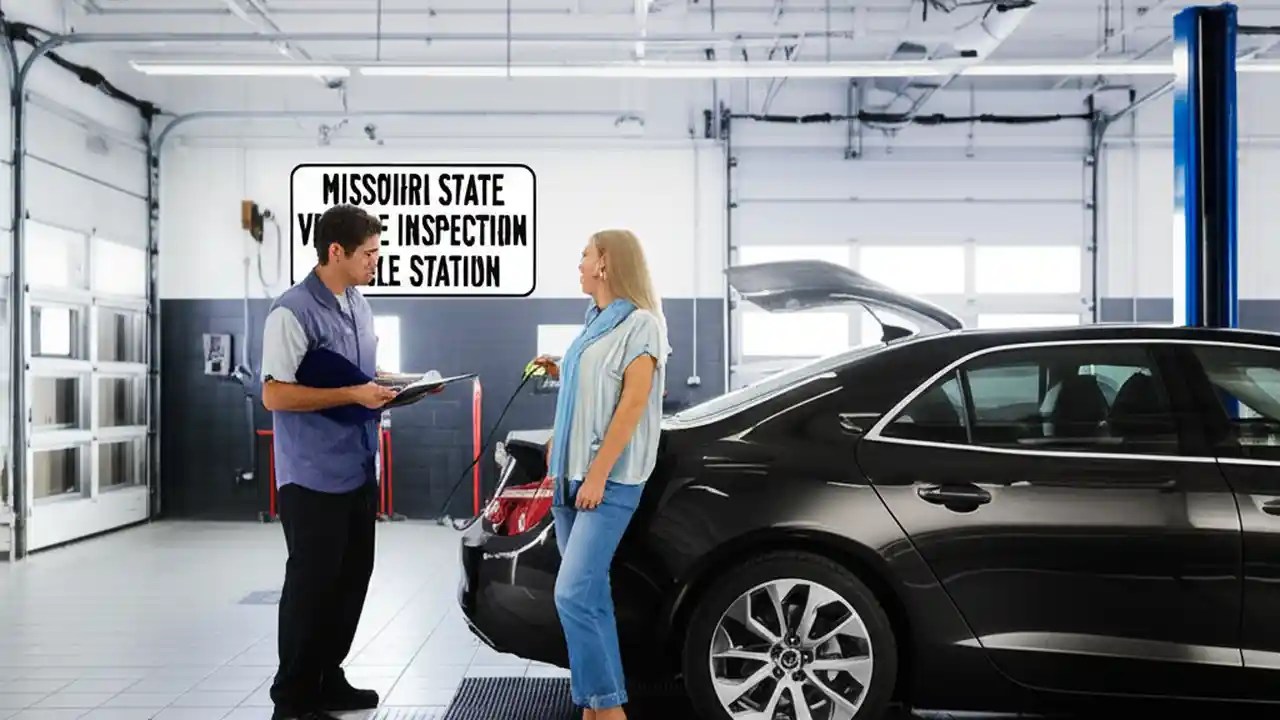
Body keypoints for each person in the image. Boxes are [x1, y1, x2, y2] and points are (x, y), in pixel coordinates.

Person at [260, 204, 400, 720]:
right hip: (312, 476)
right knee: (312, 586)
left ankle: (328, 677)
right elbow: (275, 395)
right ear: (334, 251)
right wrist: (354, 393)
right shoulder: (291, 311)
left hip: (359, 469)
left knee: (351, 580)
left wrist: (395, 385)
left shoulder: (358, 304)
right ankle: (293, 696)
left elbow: (359, 374)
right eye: (368, 254)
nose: (375, 263)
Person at [530, 229, 670, 720]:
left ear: (607, 263)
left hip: (607, 483)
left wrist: (598, 474)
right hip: (571, 477)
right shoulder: (594, 322)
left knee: (570, 593)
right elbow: (595, 390)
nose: (580, 263)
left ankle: (610, 711)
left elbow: (632, 404)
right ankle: (596, 708)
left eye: (585, 255)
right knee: (589, 597)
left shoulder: (642, 325)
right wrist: (562, 372)